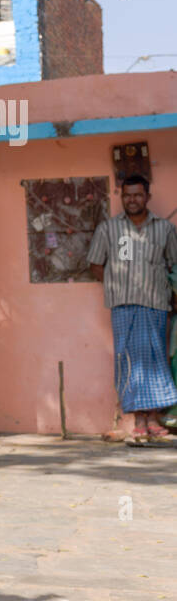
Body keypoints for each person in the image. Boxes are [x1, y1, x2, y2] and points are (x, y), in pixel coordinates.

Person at [87, 175, 177, 440]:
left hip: (156, 306)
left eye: (138, 195)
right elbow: (95, 263)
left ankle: (153, 418)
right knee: (129, 363)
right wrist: (116, 285)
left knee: (156, 361)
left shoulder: (164, 229)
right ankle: (138, 418)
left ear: (147, 196)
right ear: (122, 197)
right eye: (127, 195)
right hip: (123, 308)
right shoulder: (108, 229)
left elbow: (173, 264)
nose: (132, 200)